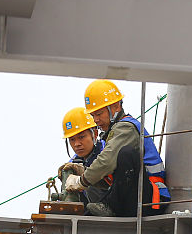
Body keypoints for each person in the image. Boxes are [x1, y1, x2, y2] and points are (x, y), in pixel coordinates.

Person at [64, 79, 170, 216]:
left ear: (116, 107)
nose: (95, 120)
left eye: (99, 113)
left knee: (126, 154)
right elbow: (116, 178)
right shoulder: (113, 132)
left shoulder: (126, 128)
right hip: (136, 197)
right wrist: (83, 171)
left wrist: (82, 180)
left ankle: (110, 205)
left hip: (151, 199)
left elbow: (107, 161)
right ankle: (108, 205)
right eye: (93, 115)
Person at [56, 106, 113, 213]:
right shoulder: (72, 163)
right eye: (72, 139)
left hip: (111, 203)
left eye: (81, 137)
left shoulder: (107, 152)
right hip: (87, 209)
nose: (77, 144)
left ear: (95, 134)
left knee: (90, 178)